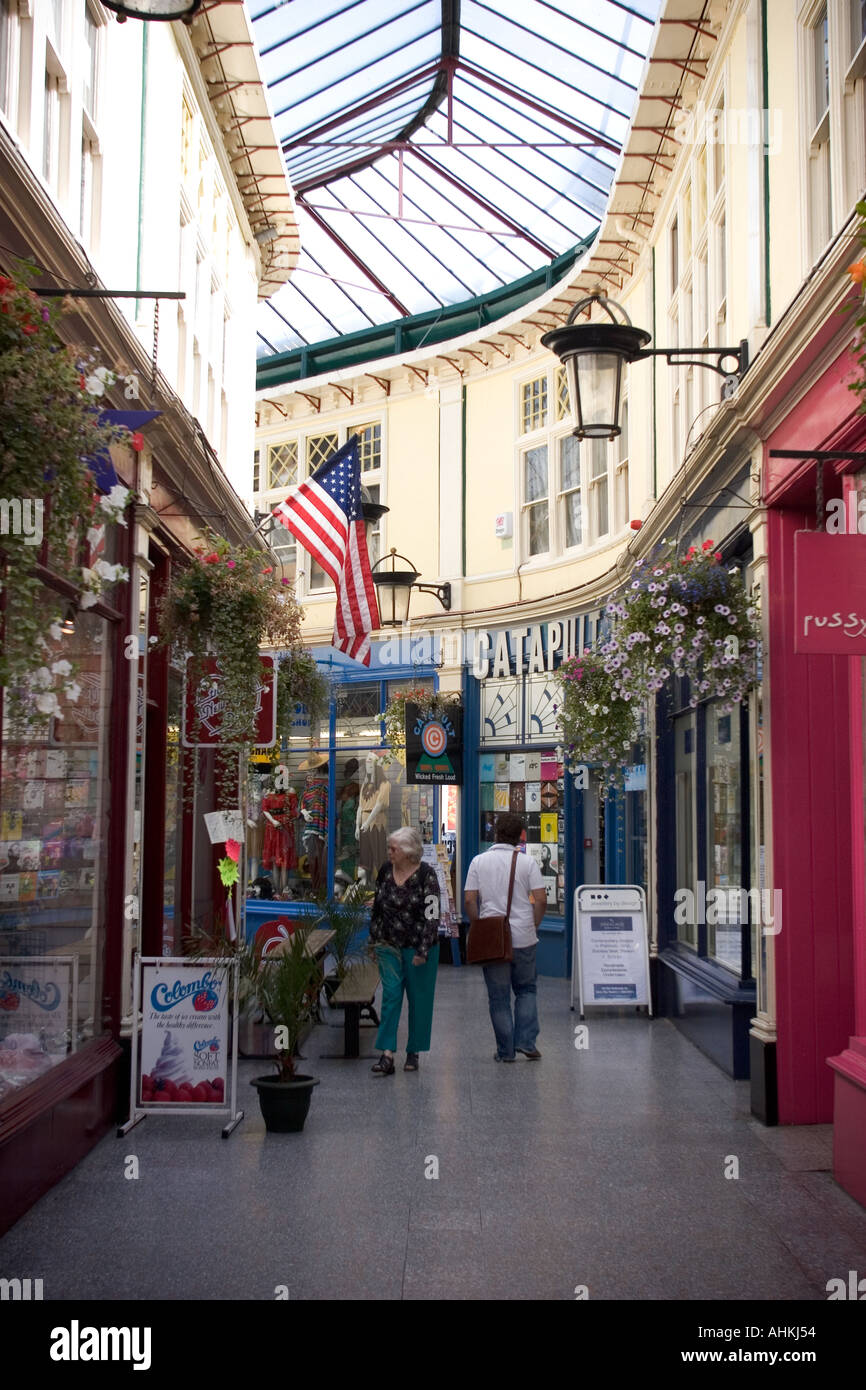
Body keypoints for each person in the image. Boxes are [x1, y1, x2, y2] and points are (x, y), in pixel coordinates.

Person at [464, 812, 547, 1062]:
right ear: (520, 836)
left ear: (496, 832)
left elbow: (469, 899)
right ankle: (526, 1042)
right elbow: (541, 899)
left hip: (493, 940)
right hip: (524, 937)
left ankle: (505, 1051)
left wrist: (478, 925)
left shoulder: (478, 862)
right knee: (527, 990)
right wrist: (533, 923)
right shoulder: (527, 863)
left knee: (498, 998)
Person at [368, 827, 440, 1075]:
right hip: (389, 944)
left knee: (419, 1000)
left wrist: (423, 950)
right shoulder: (386, 872)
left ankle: (414, 1051)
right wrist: (374, 940)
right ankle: (387, 1054)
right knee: (390, 996)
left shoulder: (426, 876)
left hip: (418, 946)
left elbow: (432, 916)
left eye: (393, 849)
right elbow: (377, 907)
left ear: (408, 852)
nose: (389, 853)